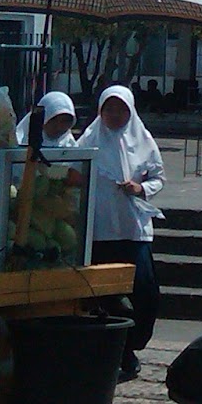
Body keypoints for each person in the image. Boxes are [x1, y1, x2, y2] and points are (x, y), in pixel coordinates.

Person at [80, 85, 166, 383]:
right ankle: (118, 353)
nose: (115, 115)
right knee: (105, 298)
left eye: (121, 110)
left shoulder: (143, 140)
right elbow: (72, 173)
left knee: (145, 294)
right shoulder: (89, 141)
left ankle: (134, 342)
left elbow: (158, 176)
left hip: (133, 229)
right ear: (101, 111)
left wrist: (141, 188)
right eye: (109, 109)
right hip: (100, 231)